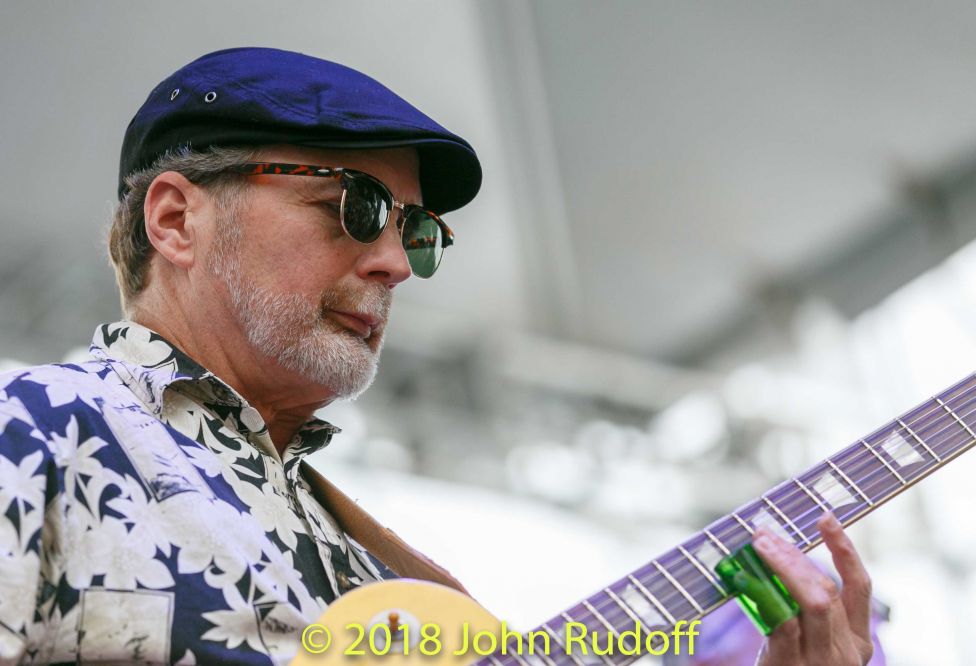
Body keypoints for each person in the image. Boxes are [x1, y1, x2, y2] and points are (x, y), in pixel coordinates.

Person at [0, 47, 874, 665]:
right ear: (176, 220)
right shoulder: (38, 432)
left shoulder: (380, 571)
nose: (393, 261)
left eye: (415, 231)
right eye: (353, 206)